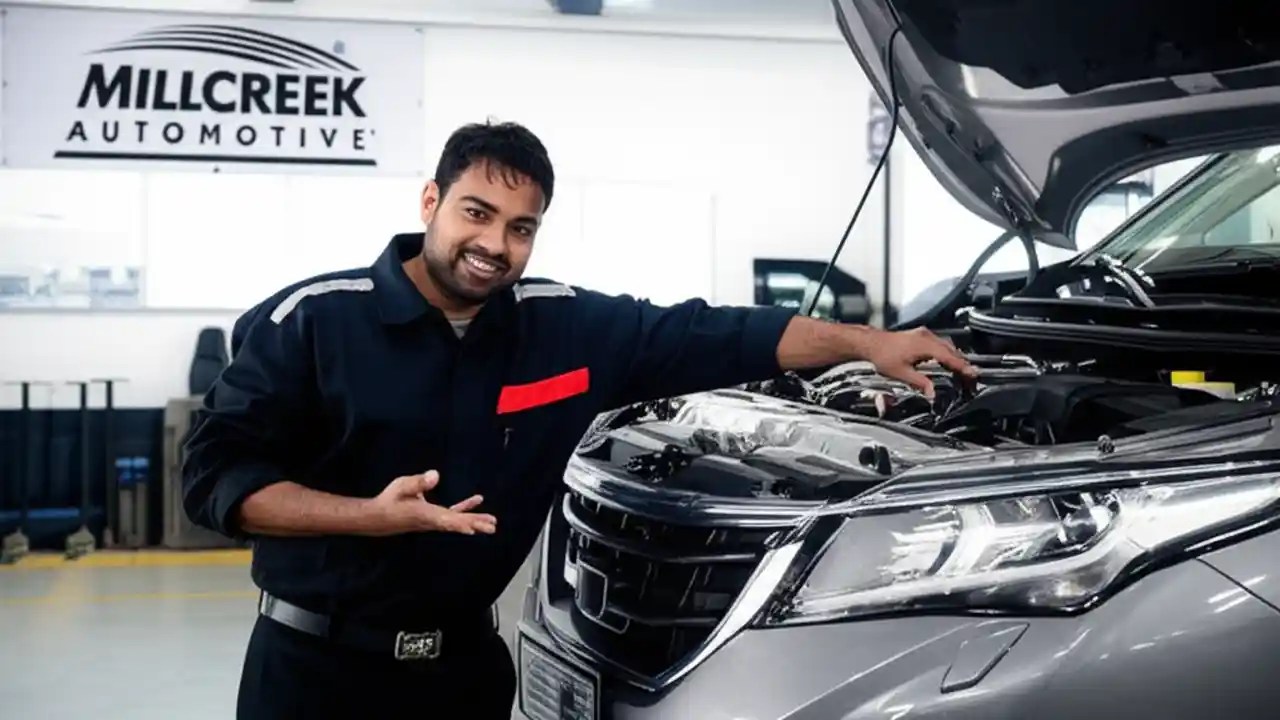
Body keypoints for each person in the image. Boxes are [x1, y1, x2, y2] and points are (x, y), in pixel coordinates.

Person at [182, 120, 975, 719]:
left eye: (520, 228)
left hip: (463, 677)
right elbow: (216, 482)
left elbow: (717, 333)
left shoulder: (562, 328)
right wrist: (368, 518)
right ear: (431, 201)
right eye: (476, 212)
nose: (494, 244)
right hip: (315, 675)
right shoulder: (312, 322)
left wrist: (868, 341)